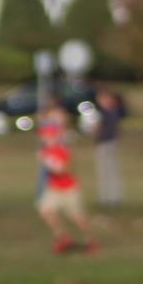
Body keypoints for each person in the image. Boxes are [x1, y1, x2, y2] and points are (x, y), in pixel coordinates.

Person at [36, 104, 95, 253]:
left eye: (47, 135)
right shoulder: (45, 151)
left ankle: (91, 240)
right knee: (45, 210)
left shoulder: (62, 150)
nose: (44, 138)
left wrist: (49, 163)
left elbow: (65, 169)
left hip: (68, 188)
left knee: (77, 217)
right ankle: (63, 237)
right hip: (54, 188)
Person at [92, 86, 125, 206]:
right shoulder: (107, 112)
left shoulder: (109, 112)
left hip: (108, 143)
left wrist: (97, 130)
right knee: (104, 172)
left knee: (110, 171)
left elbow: (105, 130)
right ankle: (106, 197)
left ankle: (112, 197)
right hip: (105, 143)